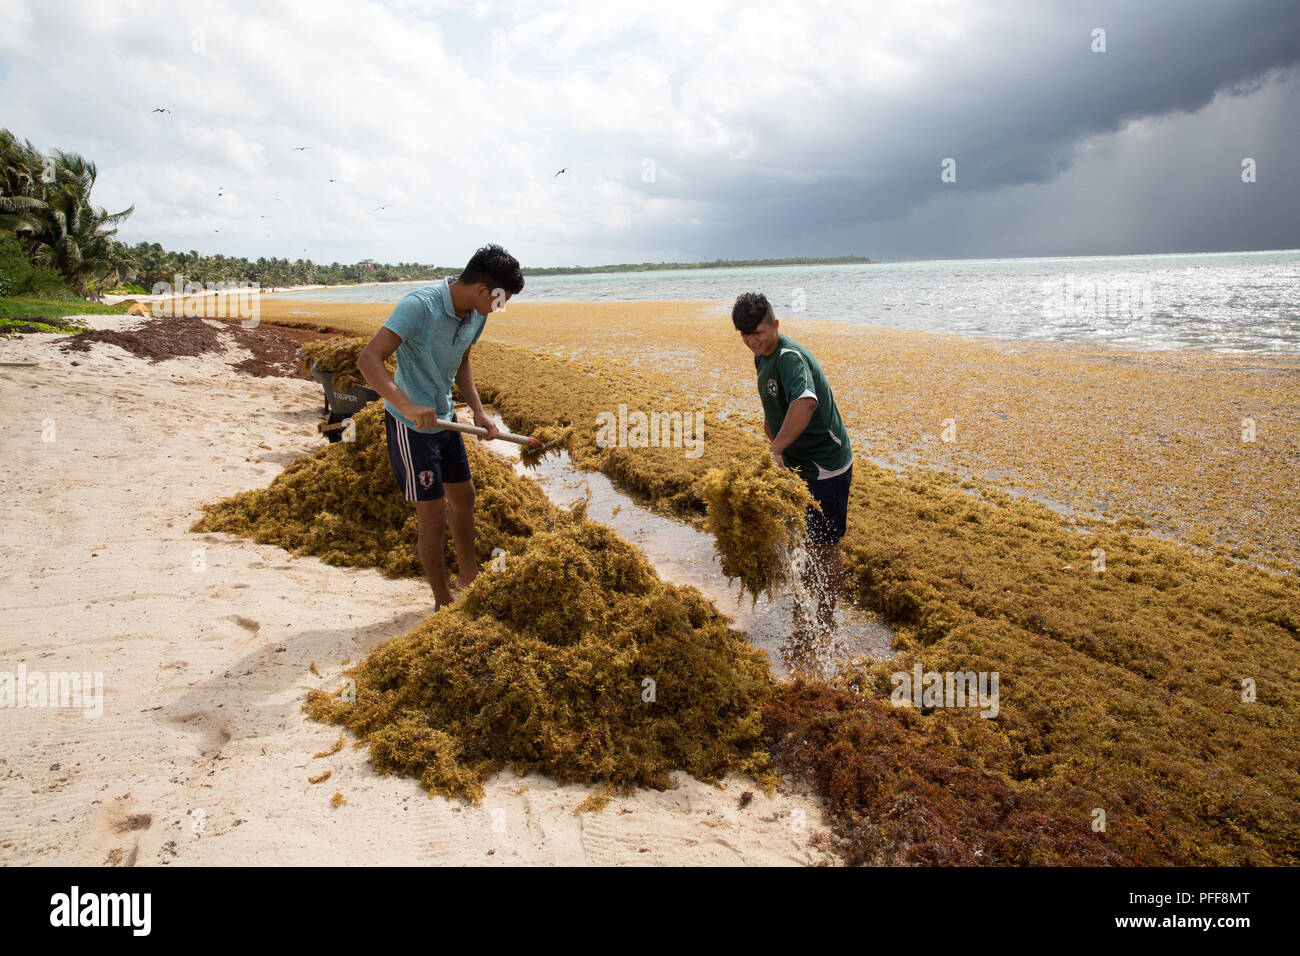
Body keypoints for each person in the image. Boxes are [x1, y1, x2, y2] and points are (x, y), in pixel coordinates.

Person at [357, 244, 525, 608]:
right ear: (483, 289)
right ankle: (442, 598)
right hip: (411, 427)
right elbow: (368, 359)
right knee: (433, 515)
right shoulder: (420, 306)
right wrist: (407, 405)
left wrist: (478, 412)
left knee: (465, 498)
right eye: (501, 298)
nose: (502, 307)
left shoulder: (477, 314)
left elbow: (461, 362)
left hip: (447, 421)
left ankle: (469, 576)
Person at [732, 292, 853, 634]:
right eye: (744, 335)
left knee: (825, 545)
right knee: (806, 537)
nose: (751, 341)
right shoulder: (763, 358)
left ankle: (825, 619)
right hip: (800, 462)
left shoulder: (788, 357)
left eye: (757, 332)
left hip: (825, 465)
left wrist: (775, 450)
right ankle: (804, 607)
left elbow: (804, 402)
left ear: (775, 324)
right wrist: (777, 448)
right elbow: (774, 410)